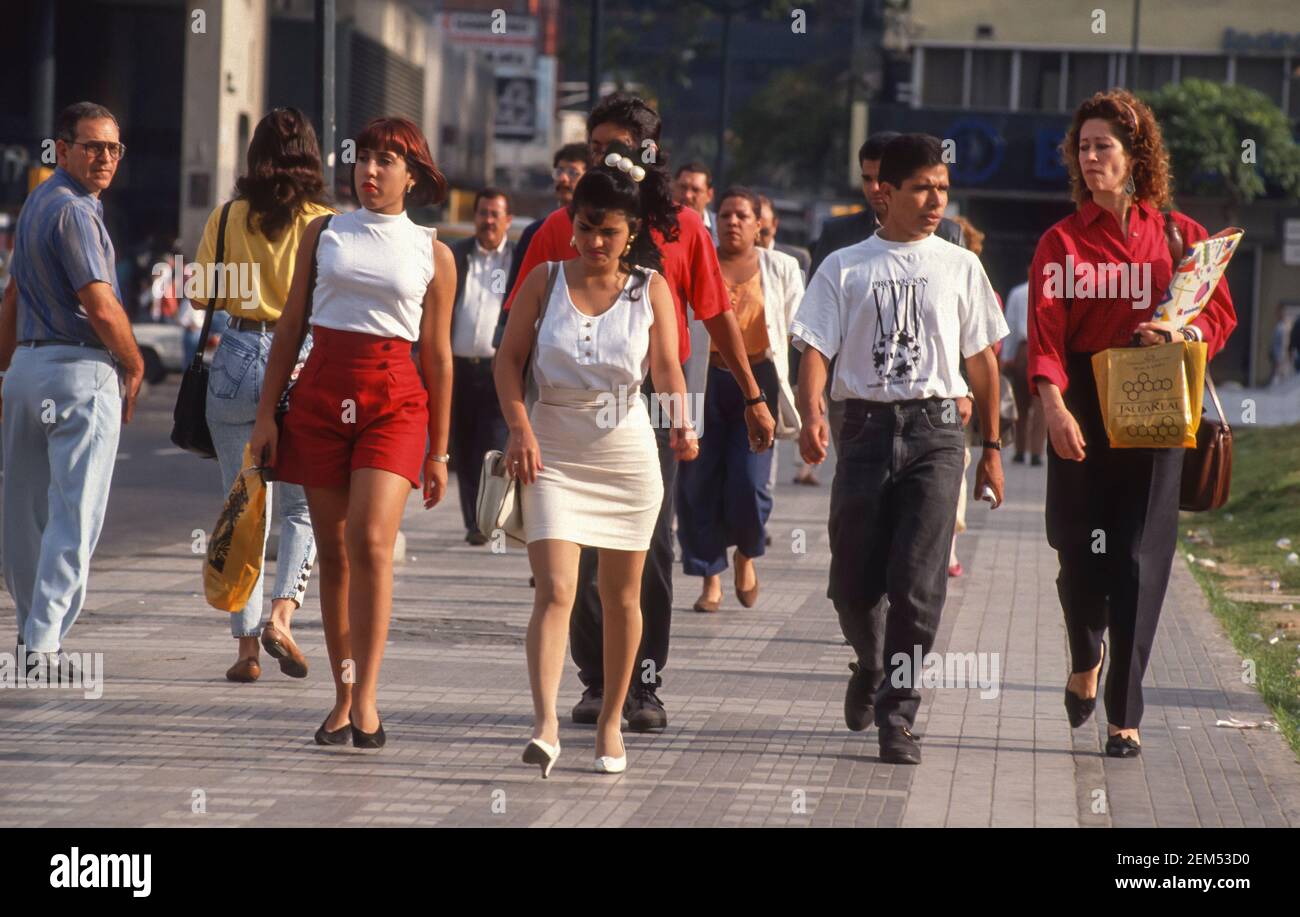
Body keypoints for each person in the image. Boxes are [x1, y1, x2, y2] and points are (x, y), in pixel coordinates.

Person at [504, 93, 775, 732]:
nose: (600, 158)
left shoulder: (683, 229)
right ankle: (597, 681)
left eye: (614, 148)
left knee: (648, 547)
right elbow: (515, 336)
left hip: (651, 402)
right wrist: (516, 419)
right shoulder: (556, 229)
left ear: (648, 154)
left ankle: (644, 686)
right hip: (568, 406)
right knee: (580, 559)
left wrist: (754, 395)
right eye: (594, 147)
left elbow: (716, 317)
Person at [1029, 89, 1236, 758]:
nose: (1090, 158)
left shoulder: (1182, 237)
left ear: (1135, 155)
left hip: (1157, 400)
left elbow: (1220, 314)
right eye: (1081, 147)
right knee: (1076, 551)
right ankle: (1085, 653)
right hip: (1082, 402)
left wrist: (1179, 328)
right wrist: (1054, 405)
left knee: (1141, 558)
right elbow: (1045, 336)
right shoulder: (1060, 242)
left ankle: (1125, 712)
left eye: (1103, 147)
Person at [792, 133, 1008, 765]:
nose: (936, 199)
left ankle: (899, 715)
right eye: (922, 188)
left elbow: (984, 363)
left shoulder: (961, 265)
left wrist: (991, 446)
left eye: (942, 188)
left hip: (939, 434)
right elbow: (815, 351)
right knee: (851, 588)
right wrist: (811, 414)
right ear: (885, 193)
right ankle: (870, 662)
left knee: (917, 586)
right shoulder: (844, 265)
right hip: (862, 431)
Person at [248, 116, 455, 749]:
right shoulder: (324, 232)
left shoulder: (434, 252)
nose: (369, 170)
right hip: (320, 392)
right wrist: (264, 416)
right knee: (331, 552)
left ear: (412, 174)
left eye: (386, 161)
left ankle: (367, 698)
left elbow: (440, 357)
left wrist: (441, 451)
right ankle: (342, 696)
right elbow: (289, 327)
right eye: (363, 158)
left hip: (395, 401)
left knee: (370, 542)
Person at [497, 156, 696, 777]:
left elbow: (666, 371)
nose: (595, 242)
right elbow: (508, 363)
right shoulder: (544, 278)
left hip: (627, 450)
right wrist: (520, 427)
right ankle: (546, 723)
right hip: (551, 444)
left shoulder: (650, 289)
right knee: (556, 589)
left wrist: (682, 422)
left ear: (631, 230)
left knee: (621, 594)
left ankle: (611, 721)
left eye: (608, 231)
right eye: (585, 227)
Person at [0, 102, 144, 677]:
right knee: (74, 514)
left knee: (23, 512)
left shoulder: (36, 203)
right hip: (80, 371)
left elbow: (12, 299)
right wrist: (133, 365)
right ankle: (44, 643)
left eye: (113, 148)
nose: (105, 158)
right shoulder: (78, 213)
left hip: (29, 372)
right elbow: (101, 306)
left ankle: (29, 631)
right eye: (92, 147)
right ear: (62, 150)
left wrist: (4, 370)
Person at [192, 107, 333, 682]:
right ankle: (281, 616)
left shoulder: (227, 218)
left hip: (236, 356)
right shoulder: (325, 223)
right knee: (302, 507)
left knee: (242, 502)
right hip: (300, 363)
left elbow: (201, 296)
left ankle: (247, 650)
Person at [679, 186, 803, 613]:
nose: (732, 222)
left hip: (758, 383)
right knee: (698, 482)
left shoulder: (782, 267)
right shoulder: (699, 261)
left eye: (742, 216)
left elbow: (798, 335)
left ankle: (746, 555)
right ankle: (709, 578)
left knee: (749, 483)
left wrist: (810, 402)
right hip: (701, 380)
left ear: (759, 225)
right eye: (726, 214)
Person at [449, 187, 514, 545]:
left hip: (498, 368)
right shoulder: (458, 256)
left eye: (495, 214)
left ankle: (494, 516)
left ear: (507, 220)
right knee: (464, 444)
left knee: (493, 445)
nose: (488, 221)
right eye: (483, 213)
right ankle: (475, 524)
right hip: (459, 366)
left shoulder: (517, 261)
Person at [504, 143, 588, 297]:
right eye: (559, 171)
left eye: (573, 172)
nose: (563, 178)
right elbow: (516, 292)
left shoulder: (597, 233)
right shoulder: (534, 232)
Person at [1002, 273, 1047, 463]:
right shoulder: (1052, 289)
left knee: (1020, 401)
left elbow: (1010, 325)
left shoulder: (1018, 292)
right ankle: (1036, 452)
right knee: (1042, 404)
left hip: (1023, 349)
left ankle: (1020, 450)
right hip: (1044, 348)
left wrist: (1006, 356)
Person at [757, 195, 811, 280]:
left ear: (775, 224)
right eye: (754, 232)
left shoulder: (798, 258)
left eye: (764, 232)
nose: (757, 237)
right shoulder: (734, 259)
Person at [673, 161, 718, 244]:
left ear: (709, 195)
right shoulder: (658, 223)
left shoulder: (721, 228)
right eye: (683, 187)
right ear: (673, 187)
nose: (687, 195)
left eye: (695, 190)